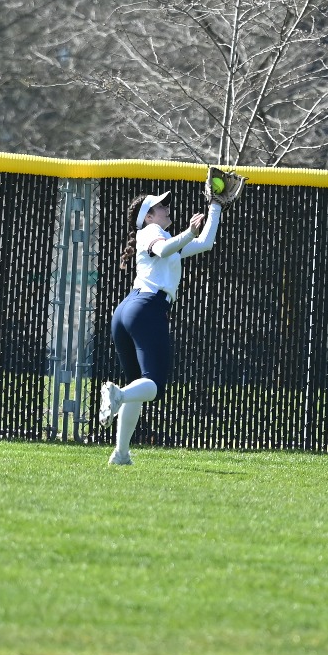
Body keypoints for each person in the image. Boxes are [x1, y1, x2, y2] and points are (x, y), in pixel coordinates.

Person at [101, 189, 222, 465]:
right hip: (146, 309)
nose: (166, 208)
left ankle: (121, 454)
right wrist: (189, 232)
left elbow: (204, 243)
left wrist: (215, 206)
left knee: (138, 386)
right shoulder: (150, 232)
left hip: (127, 311)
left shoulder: (165, 236)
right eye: (159, 205)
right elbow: (164, 248)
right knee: (154, 384)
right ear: (148, 216)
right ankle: (117, 394)